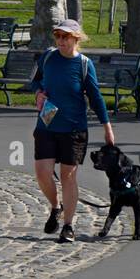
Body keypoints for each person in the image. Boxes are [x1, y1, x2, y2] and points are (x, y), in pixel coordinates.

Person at [31, 19, 114, 244]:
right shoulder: (48, 57)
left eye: (65, 37)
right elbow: (34, 81)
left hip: (74, 129)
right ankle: (55, 206)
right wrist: (38, 92)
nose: (60, 41)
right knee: (42, 172)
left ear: (76, 39)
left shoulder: (85, 64)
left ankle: (68, 226)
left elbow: (96, 98)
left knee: (68, 176)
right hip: (47, 124)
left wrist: (107, 126)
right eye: (57, 36)